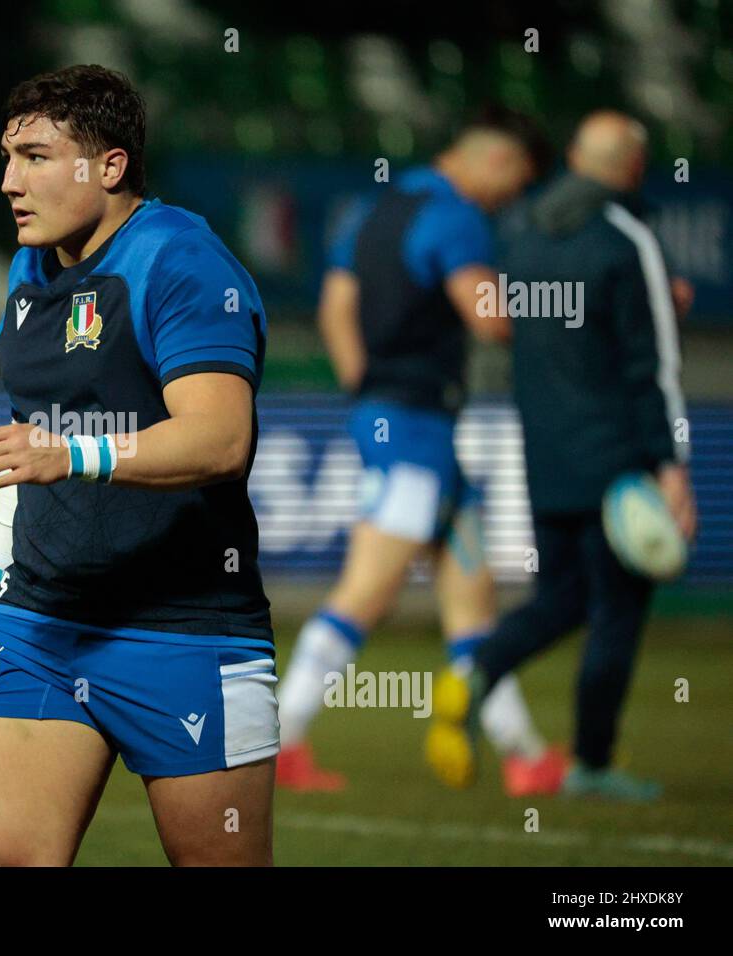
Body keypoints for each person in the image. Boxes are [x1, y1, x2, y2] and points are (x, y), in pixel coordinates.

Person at [0, 65, 277, 865]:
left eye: (33, 157)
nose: (8, 182)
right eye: (6, 157)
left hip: (187, 629)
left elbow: (220, 440)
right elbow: (25, 463)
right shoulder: (30, 271)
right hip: (38, 622)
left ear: (110, 165)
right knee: (10, 858)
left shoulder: (181, 263)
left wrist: (72, 452)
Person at [275, 109, 568, 797]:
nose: (511, 199)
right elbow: (490, 317)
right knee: (367, 591)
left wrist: (365, 386)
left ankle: (522, 753)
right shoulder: (458, 216)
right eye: (516, 183)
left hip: (401, 423)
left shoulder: (372, 211)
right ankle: (280, 738)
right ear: (495, 162)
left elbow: (335, 308)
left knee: (471, 593)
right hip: (416, 433)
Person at [427, 111, 698, 802]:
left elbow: (528, 338)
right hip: (617, 457)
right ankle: (593, 762)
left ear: (576, 157)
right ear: (633, 168)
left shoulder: (523, 236)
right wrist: (672, 465)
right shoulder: (625, 237)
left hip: (545, 455)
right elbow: (653, 365)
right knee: (615, 610)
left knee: (563, 598)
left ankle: (475, 671)